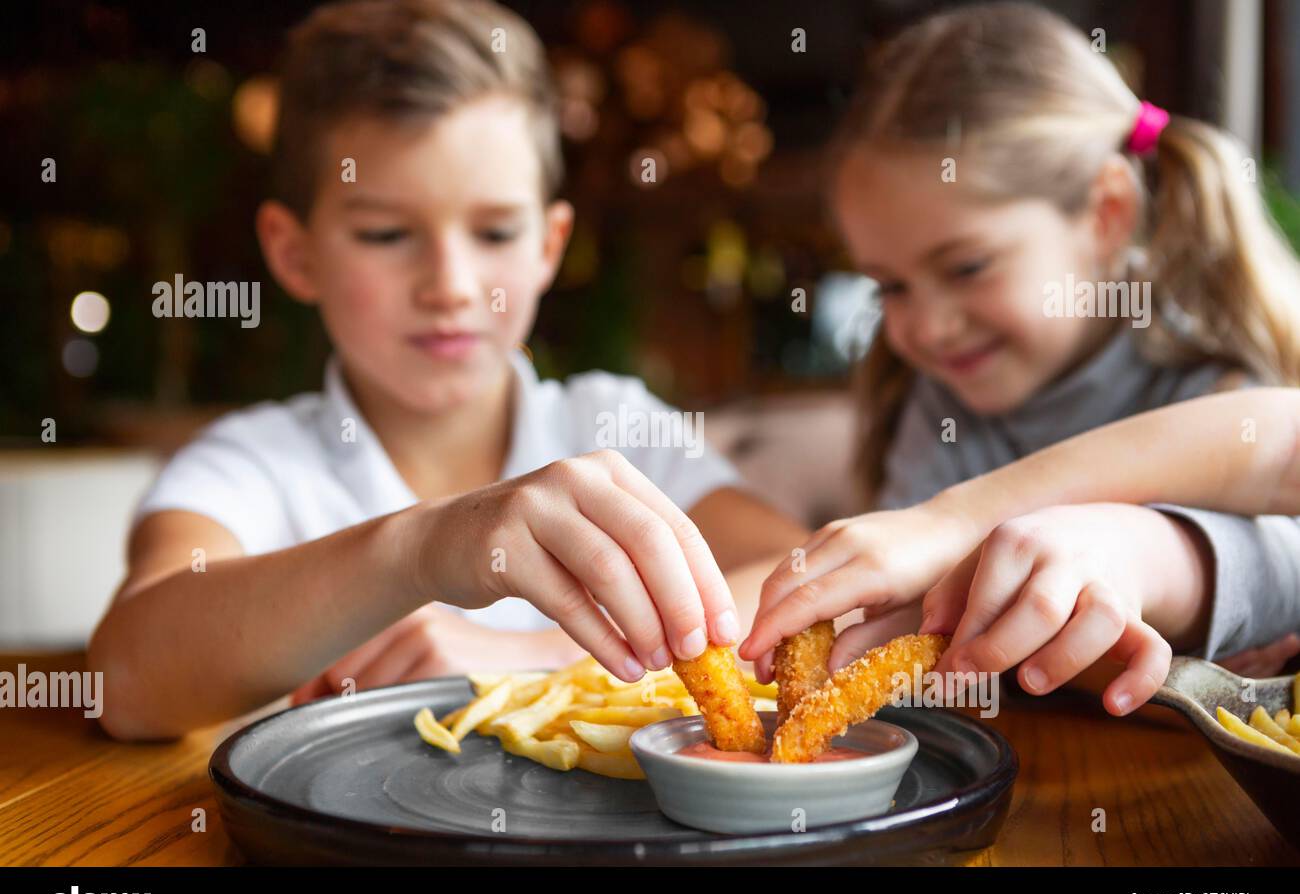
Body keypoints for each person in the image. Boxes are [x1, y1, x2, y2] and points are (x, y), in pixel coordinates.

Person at [88, 0, 805, 740]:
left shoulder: (612, 427)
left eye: (495, 230)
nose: (452, 284)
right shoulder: (253, 465)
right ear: (295, 253)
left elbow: (815, 586)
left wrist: (539, 659)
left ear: (549, 245)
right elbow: (124, 683)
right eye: (386, 233)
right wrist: (422, 551)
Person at [741, 2, 1300, 716]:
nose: (929, 326)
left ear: (1106, 214)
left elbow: (1282, 571)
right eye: (891, 286)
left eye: (968, 266)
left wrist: (964, 529)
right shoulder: (940, 405)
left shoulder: (1213, 379)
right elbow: (923, 621)